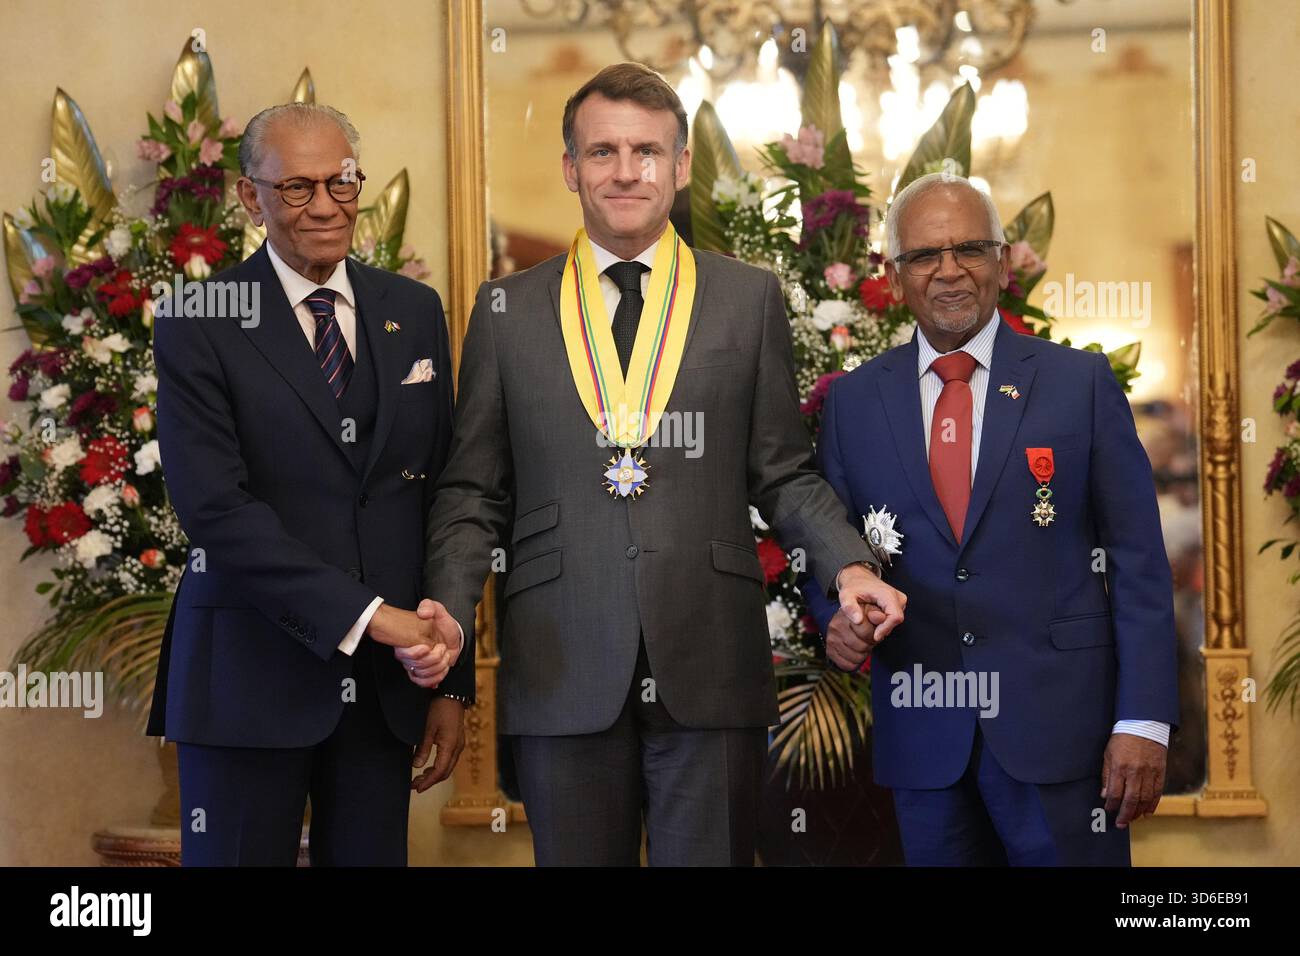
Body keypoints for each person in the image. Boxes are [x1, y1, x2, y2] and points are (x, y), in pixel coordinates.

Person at [407, 63, 906, 866]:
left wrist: (849, 567)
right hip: (561, 658)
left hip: (709, 656)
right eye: (602, 151)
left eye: (647, 150)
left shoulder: (748, 298)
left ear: (680, 167)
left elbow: (782, 471)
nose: (626, 170)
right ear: (571, 169)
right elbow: (472, 489)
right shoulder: (507, 311)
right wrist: (449, 611)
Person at [807, 172, 1178, 865]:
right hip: (922, 741)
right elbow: (833, 548)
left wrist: (1145, 721)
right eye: (924, 255)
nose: (949, 271)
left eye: (969, 249)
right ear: (894, 274)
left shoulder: (1080, 385)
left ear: (1002, 262)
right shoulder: (854, 403)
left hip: (1063, 739)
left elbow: (1138, 565)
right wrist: (836, 616)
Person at [148, 103, 469, 866]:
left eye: (341, 181)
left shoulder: (414, 311)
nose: (325, 205)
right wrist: (371, 617)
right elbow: (217, 511)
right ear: (247, 197)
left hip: (388, 697)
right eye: (295, 188)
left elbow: (447, 493)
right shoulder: (199, 316)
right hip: (248, 681)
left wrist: (452, 677)